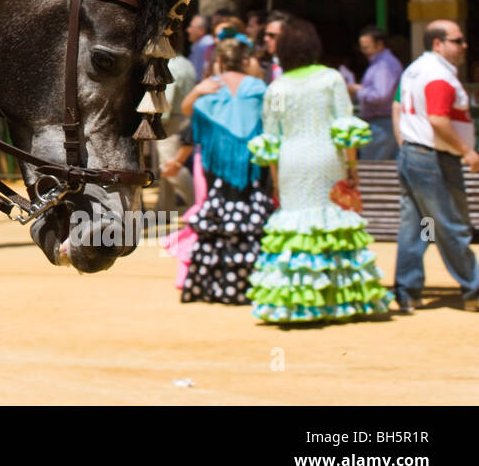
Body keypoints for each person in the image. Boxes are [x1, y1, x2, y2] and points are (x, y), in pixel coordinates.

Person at [246, 18, 391, 322]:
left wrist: (275, 182)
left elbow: (271, 139)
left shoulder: (277, 87)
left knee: (295, 224)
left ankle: (297, 303)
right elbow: (344, 127)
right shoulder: (331, 78)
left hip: (290, 161)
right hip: (328, 157)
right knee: (332, 223)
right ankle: (338, 301)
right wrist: (352, 167)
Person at [177, 32, 274, 304]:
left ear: (219, 60)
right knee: (253, 225)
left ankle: (218, 286)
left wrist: (197, 91)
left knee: (219, 226)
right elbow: (269, 120)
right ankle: (256, 285)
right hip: (252, 170)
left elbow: (189, 113)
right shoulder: (257, 87)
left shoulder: (210, 87)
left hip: (219, 170)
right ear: (245, 60)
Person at [393, 20, 479, 313]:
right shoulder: (437, 75)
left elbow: (398, 108)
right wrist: (467, 151)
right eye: (458, 40)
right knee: (451, 223)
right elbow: (439, 119)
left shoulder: (415, 69)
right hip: (434, 159)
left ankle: (408, 292)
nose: (464, 45)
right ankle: (474, 289)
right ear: (438, 44)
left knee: (416, 226)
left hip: (414, 155)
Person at [156, 27, 198, 214]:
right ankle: (163, 211)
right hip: (185, 120)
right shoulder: (186, 63)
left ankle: (198, 204)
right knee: (167, 171)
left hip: (171, 123)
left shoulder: (170, 66)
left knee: (170, 168)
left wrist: (156, 122)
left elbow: (166, 103)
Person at [349, 25, 403, 161]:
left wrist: (357, 90)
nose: (363, 51)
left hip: (382, 124)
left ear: (379, 44)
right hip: (382, 124)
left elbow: (380, 95)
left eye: (366, 47)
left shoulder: (385, 64)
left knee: (373, 171)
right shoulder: (380, 63)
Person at [257, 10, 290, 83]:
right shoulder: (259, 63)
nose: (265, 38)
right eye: (265, 34)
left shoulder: (295, 65)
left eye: (272, 35)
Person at [187, 13, 212, 80]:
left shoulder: (203, 46)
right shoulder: (200, 44)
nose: (188, 30)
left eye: (191, 26)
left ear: (202, 31)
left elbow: (197, 76)